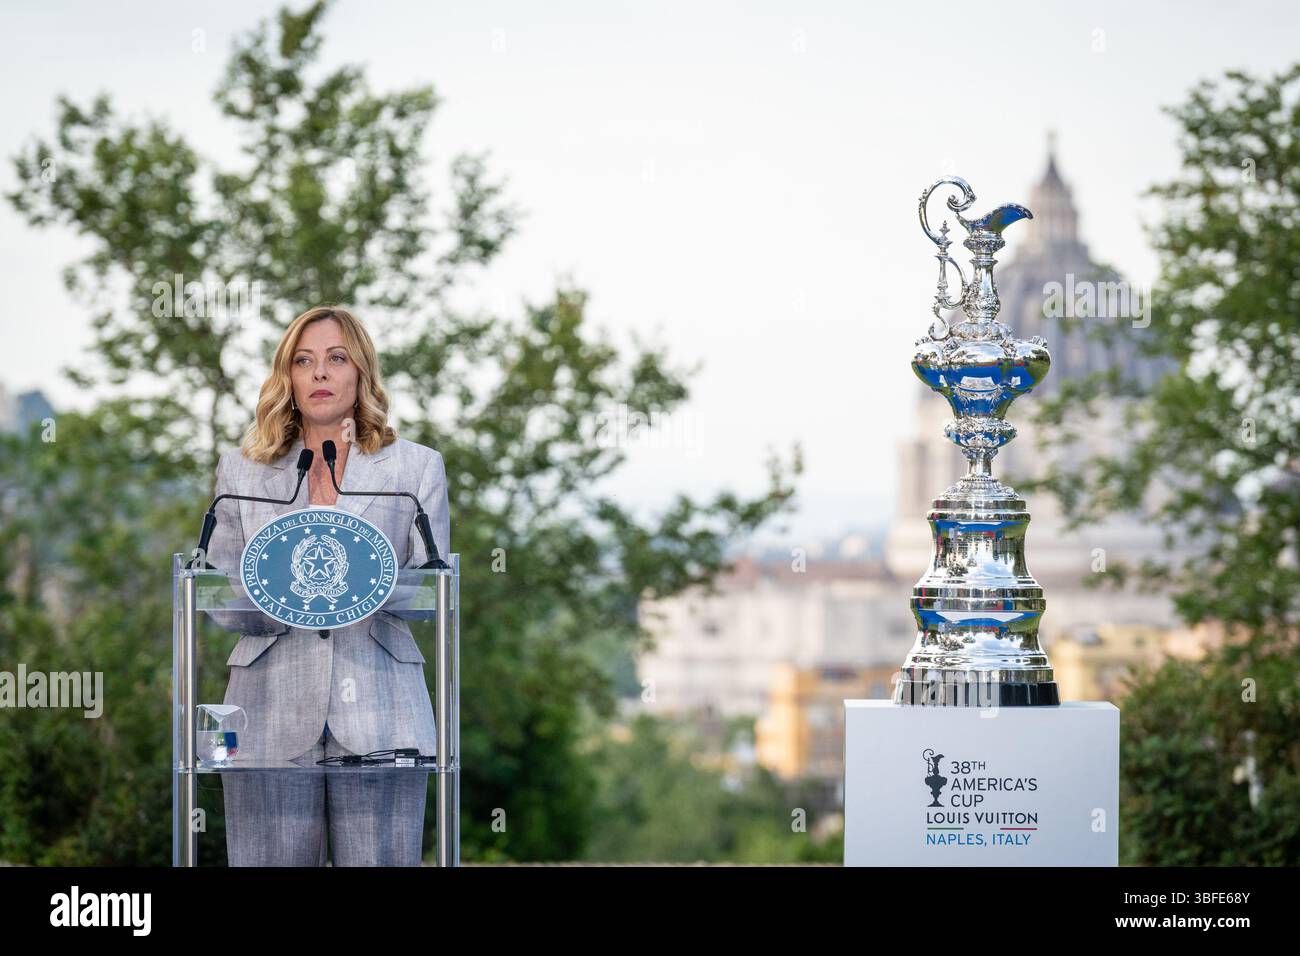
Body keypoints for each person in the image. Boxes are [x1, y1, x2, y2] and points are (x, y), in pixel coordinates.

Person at [205, 305, 450, 866]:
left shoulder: (415, 469)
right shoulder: (241, 470)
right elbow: (216, 588)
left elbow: (430, 591)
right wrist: (277, 595)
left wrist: (362, 581)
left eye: (336, 358)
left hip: (383, 705)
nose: (320, 373)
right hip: (265, 707)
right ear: (286, 377)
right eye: (304, 361)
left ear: (360, 371)